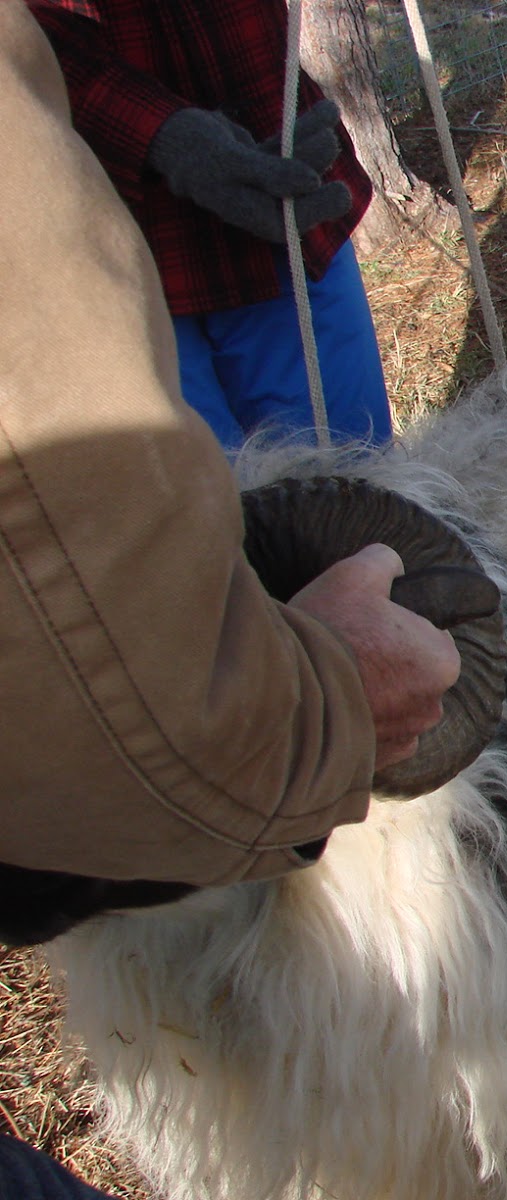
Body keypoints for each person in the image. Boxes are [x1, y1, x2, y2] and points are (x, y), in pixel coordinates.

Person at [1, 3, 458, 1191]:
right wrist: (165, 137)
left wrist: (299, 120)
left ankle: (417, 856)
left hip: (285, 218)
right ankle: (275, 935)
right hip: (134, 260)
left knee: (369, 522)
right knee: (220, 564)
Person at [25, 0, 394, 450]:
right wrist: (165, 134)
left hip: (285, 204)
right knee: (201, 510)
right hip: (115, 248)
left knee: (357, 488)